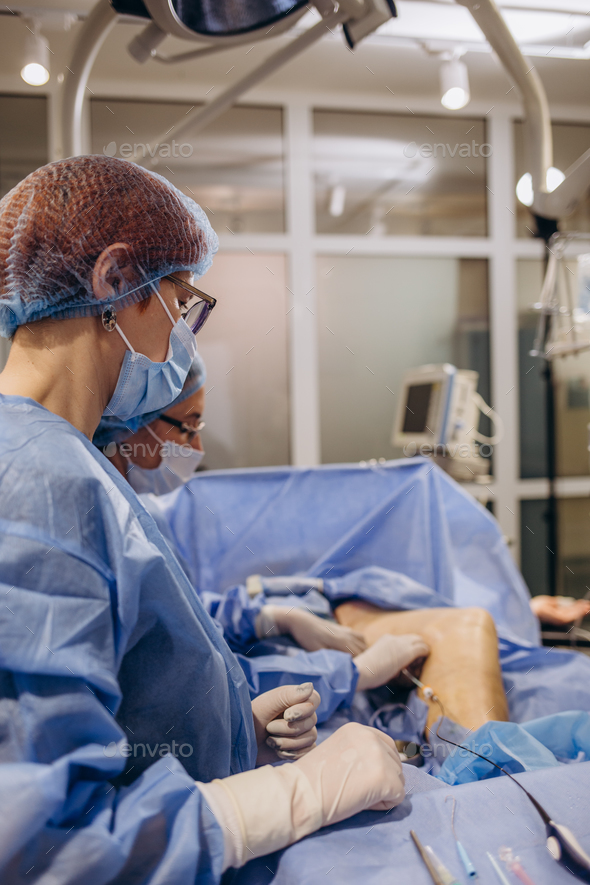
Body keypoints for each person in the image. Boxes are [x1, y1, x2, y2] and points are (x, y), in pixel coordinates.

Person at [0, 156, 407, 883]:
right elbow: (41, 848)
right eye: (182, 300)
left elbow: (125, 695)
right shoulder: (36, 480)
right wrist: (285, 799)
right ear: (115, 278)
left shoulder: (70, 461)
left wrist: (230, 731)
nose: (185, 335)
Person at [94, 355, 432, 730]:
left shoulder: (136, 510)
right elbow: (199, 681)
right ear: (131, 421)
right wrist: (350, 675)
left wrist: (269, 618)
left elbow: (187, 616)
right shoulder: (109, 526)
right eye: (188, 429)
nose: (198, 447)